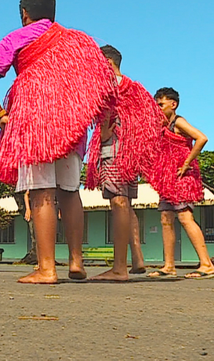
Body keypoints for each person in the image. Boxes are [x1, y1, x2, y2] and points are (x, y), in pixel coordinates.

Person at [0, 0, 117, 283]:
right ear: (53, 13)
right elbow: (103, 83)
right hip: (72, 124)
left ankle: (47, 268)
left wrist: (1, 116)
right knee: (69, 192)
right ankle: (76, 262)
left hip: (35, 122)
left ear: (25, 15)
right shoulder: (78, 40)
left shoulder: (17, 37)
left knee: (42, 192)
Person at [87, 45, 164, 279]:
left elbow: (106, 113)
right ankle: (137, 258)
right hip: (131, 153)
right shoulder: (137, 88)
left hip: (115, 149)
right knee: (127, 205)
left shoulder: (108, 86)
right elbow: (155, 119)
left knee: (118, 203)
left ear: (108, 62)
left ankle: (119, 267)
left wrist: (103, 134)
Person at [147, 88, 214, 279]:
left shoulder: (179, 122)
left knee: (185, 216)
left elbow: (201, 138)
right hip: (167, 178)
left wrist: (186, 163)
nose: (158, 108)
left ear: (173, 104)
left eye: (161, 104)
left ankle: (207, 264)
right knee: (165, 218)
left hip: (182, 177)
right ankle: (169, 265)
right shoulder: (161, 126)